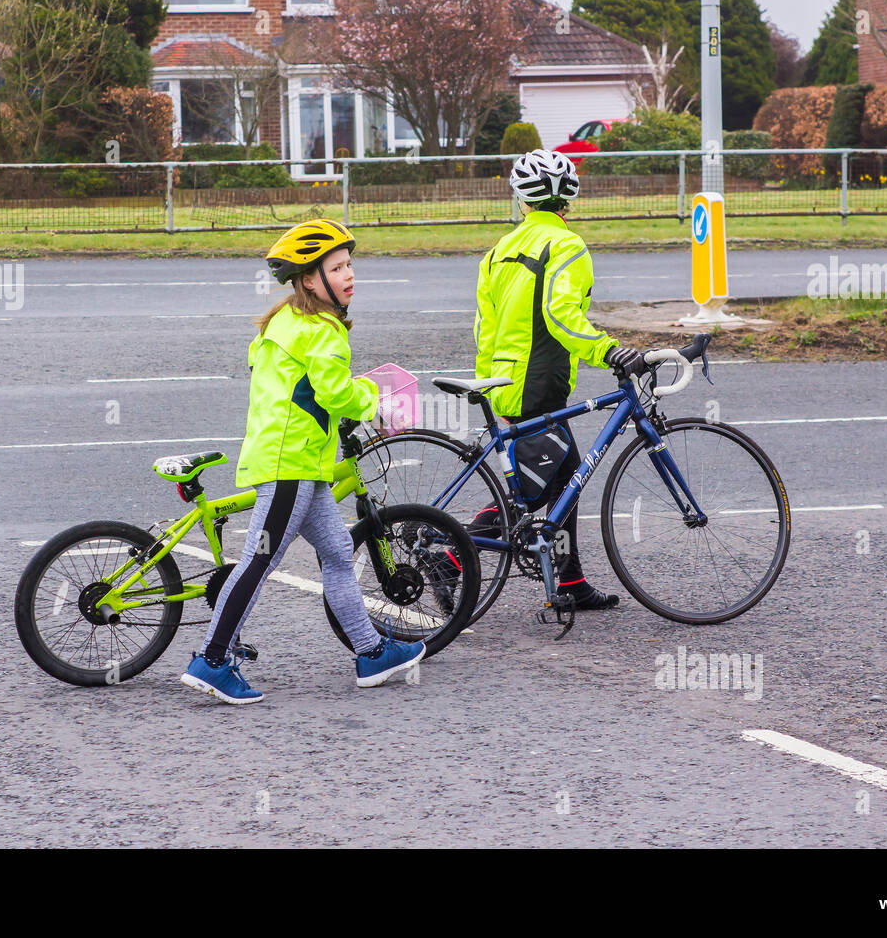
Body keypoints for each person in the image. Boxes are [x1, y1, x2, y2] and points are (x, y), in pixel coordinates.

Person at [181, 218, 425, 705]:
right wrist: (374, 401)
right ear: (311, 279)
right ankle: (211, 660)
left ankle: (371, 653)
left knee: (337, 555)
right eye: (338, 267)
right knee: (258, 561)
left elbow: (300, 391)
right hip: (289, 466)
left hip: (301, 465)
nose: (350, 274)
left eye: (350, 264)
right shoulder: (323, 331)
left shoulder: (284, 320)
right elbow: (335, 392)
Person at [468, 149, 643, 610]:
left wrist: (488, 381)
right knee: (538, 488)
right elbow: (560, 314)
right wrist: (608, 350)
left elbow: (484, 328)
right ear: (569, 200)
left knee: (564, 478)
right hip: (540, 381)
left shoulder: (497, 251)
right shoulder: (565, 246)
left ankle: (569, 582)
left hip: (504, 382)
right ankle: (454, 554)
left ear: (522, 200)